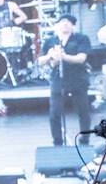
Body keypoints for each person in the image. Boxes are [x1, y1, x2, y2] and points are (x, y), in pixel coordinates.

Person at [39, 14, 92, 146]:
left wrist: (64, 56)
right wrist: (50, 56)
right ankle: (57, 141)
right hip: (58, 79)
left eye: (68, 22)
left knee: (83, 111)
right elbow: (40, 61)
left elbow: (81, 58)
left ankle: (84, 140)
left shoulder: (81, 39)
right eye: (62, 22)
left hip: (78, 78)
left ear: (73, 25)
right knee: (55, 112)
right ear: (57, 25)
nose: (65, 24)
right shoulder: (51, 41)